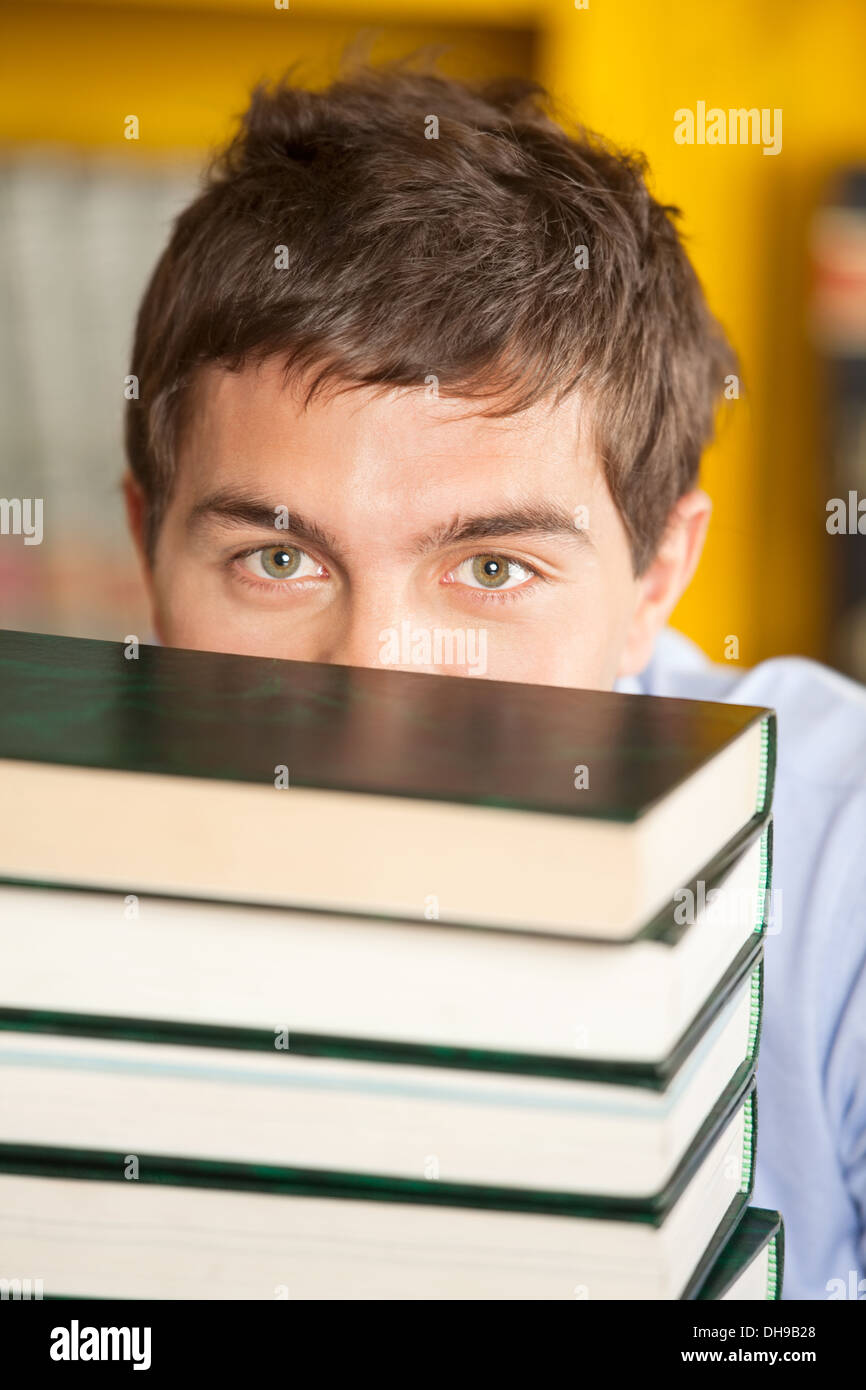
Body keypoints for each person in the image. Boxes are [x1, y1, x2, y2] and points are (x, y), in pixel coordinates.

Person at [123, 64, 866, 1300]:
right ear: (148, 549)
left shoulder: (840, 845)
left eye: (489, 565)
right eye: (277, 556)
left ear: (652, 578)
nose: (374, 687)